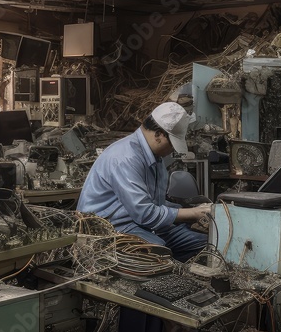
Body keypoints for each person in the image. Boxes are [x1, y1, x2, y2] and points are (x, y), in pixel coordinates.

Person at [78, 101, 210, 261]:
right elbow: (145, 213)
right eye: (172, 144)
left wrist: (190, 209)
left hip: (140, 223)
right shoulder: (125, 158)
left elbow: (155, 203)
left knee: (206, 243)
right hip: (109, 228)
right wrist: (192, 214)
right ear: (159, 135)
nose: (173, 150)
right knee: (159, 251)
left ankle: (180, 272)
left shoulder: (156, 159)